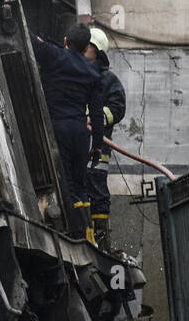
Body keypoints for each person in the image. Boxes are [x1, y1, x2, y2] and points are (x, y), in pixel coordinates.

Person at [32, 24, 105, 242]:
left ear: (65, 41)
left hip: (58, 130)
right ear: (85, 49)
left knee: (67, 185)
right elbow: (97, 112)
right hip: (81, 134)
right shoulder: (92, 72)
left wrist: (8, 1)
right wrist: (98, 145)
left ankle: (75, 236)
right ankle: (89, 237)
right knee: (81, 184)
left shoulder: (54, 56)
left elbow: (27, 37)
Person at [82, 27, 125, 249]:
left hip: (96, 149)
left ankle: (101, 240)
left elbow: (118, 108)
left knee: (97, 191)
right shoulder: (75, 72)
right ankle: (84, 237)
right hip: (75, 145)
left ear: (95, 50)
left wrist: (94, 118)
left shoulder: (108, 80)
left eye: (86, 47)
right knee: (77, 188)